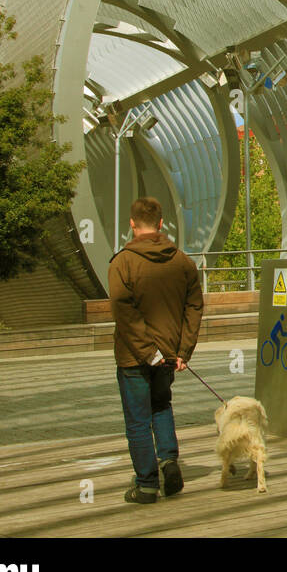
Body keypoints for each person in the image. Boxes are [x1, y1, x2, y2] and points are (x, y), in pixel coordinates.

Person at [109, 196, 204, 504]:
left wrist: (148, 351)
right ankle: (168, 460)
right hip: (169, 353)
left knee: (138, 420)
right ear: (162, 223)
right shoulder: (183, 262)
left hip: (133, 357)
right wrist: (183, 350)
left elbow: (124, 311)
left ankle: (147, 485)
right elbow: (194, 306)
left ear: (132, 224)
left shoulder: (121, 262)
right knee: (161, 406)